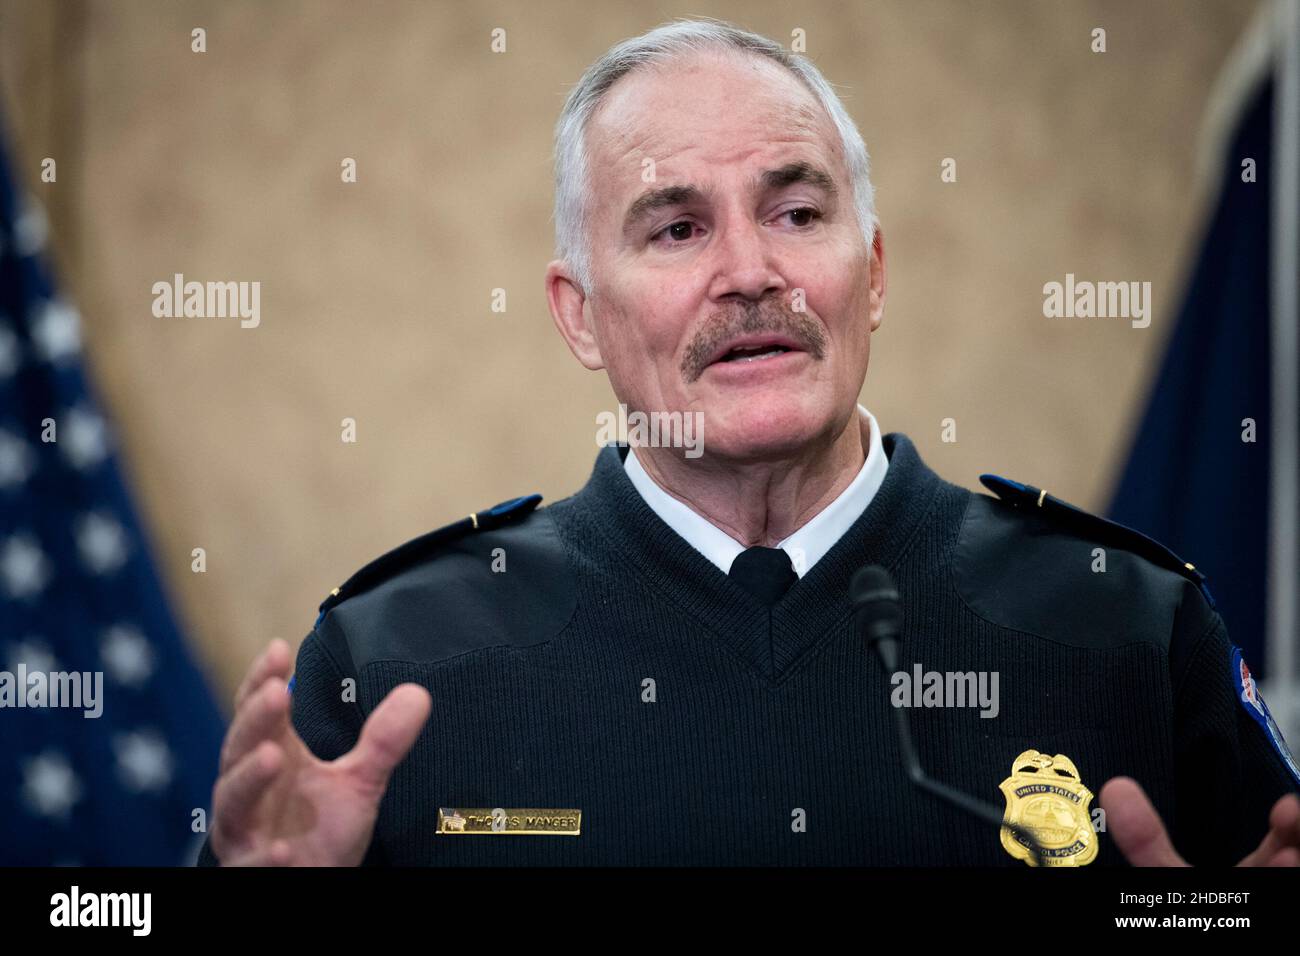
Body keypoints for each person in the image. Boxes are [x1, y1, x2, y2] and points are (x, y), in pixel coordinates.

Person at [197, 18, 1300, 867]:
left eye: (796, 214)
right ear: (580, 316)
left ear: (873, 273)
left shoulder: (1126, 624)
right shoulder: (394, 662)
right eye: (677, 228)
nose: (750, 273)